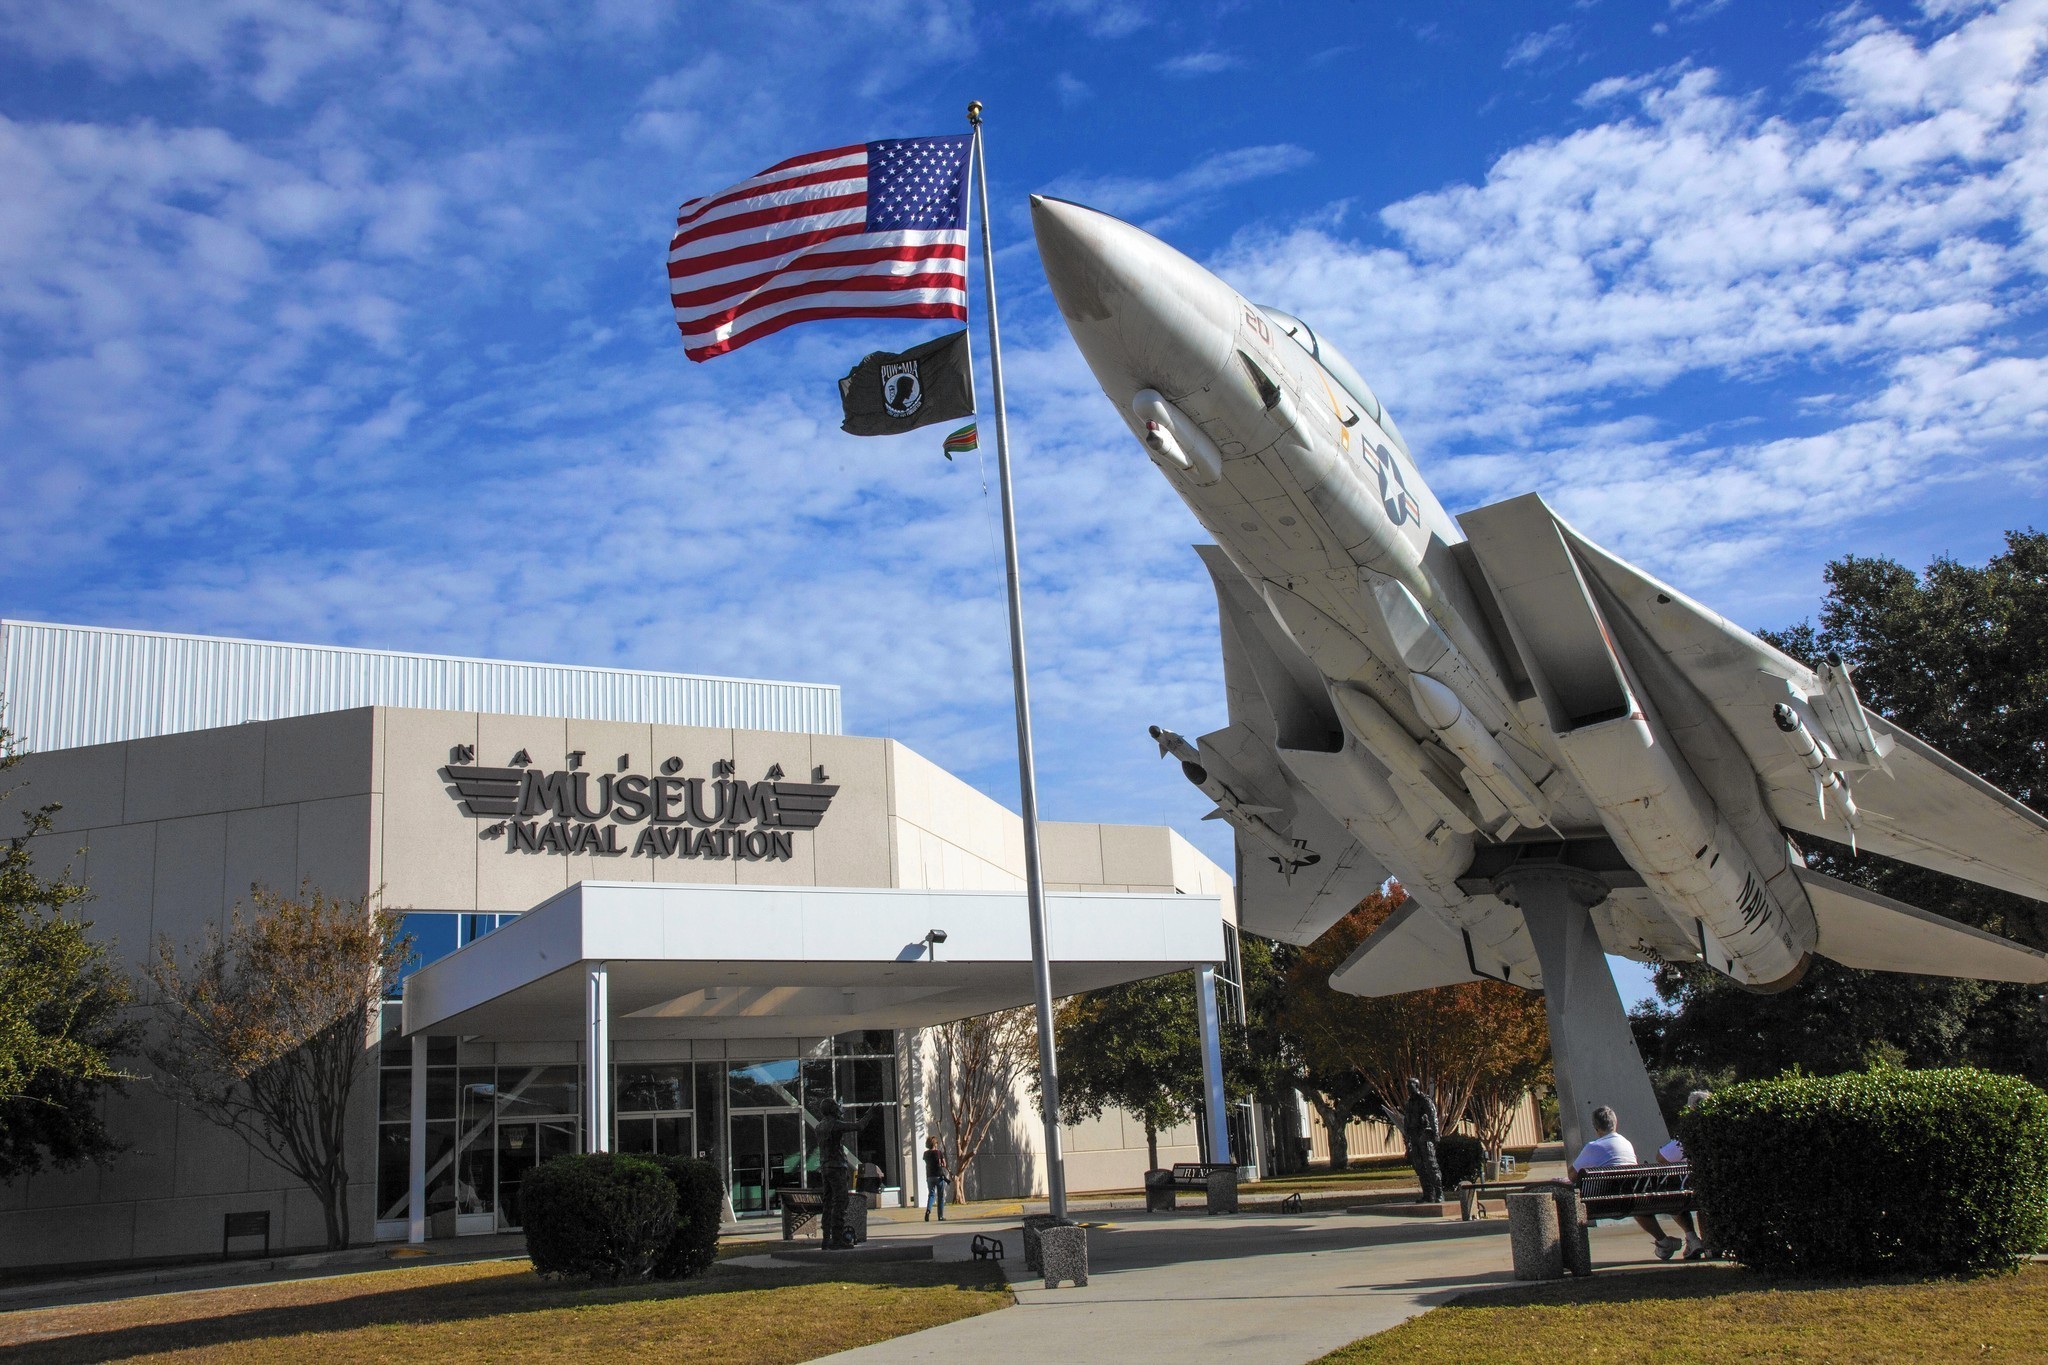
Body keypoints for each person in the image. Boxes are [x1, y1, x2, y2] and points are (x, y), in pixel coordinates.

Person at [1572, 1104, 1687, 1261]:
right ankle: (1664, 1242)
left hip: (1600, 1204)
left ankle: (1575, 1256)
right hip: (1632, 1199)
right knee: (1635, 1203)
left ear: (1595, 1127)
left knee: (1567, 1197)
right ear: (1615, 1123)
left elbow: (1572, 1175)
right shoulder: (1626, 1143)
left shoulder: (1593, 1147)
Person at [1653, 1090, 1711, 1261]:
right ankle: (1710, 1242)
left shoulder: (1690, 1134)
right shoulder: (1719, 1130)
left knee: (1673, 1193)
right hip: (1714, 1186)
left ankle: (1692, 1238)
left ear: (1691, 1109)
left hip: (1692, 1190)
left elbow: (1661, 1158)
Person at [1387, 1078, 1444, 1203]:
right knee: (1419, 1166)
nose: (1408, 1088)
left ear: (1417, 1086)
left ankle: (1439, 1193)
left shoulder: (1425, 1100)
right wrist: (1407, 1135)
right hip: (1414, 1135)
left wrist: (1435, 1133)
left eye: (1410, 1085)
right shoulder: (1409, 1103)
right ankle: (1428, 1194)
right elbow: (1407, 1119)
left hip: (1424, 1134)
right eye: (1407, 1086)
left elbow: (1432, 1116)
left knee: (1431, 1165)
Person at [922, 1135, 950, 1222]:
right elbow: (944, 1164)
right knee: (940, 1197)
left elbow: (926, 1162)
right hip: (939, 1176)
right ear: (935, 1144)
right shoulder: (938, 1152)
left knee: (931, 1195)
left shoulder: (925, 1154)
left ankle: (928, 1210)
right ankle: (940, 1216)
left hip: (930, 1176)